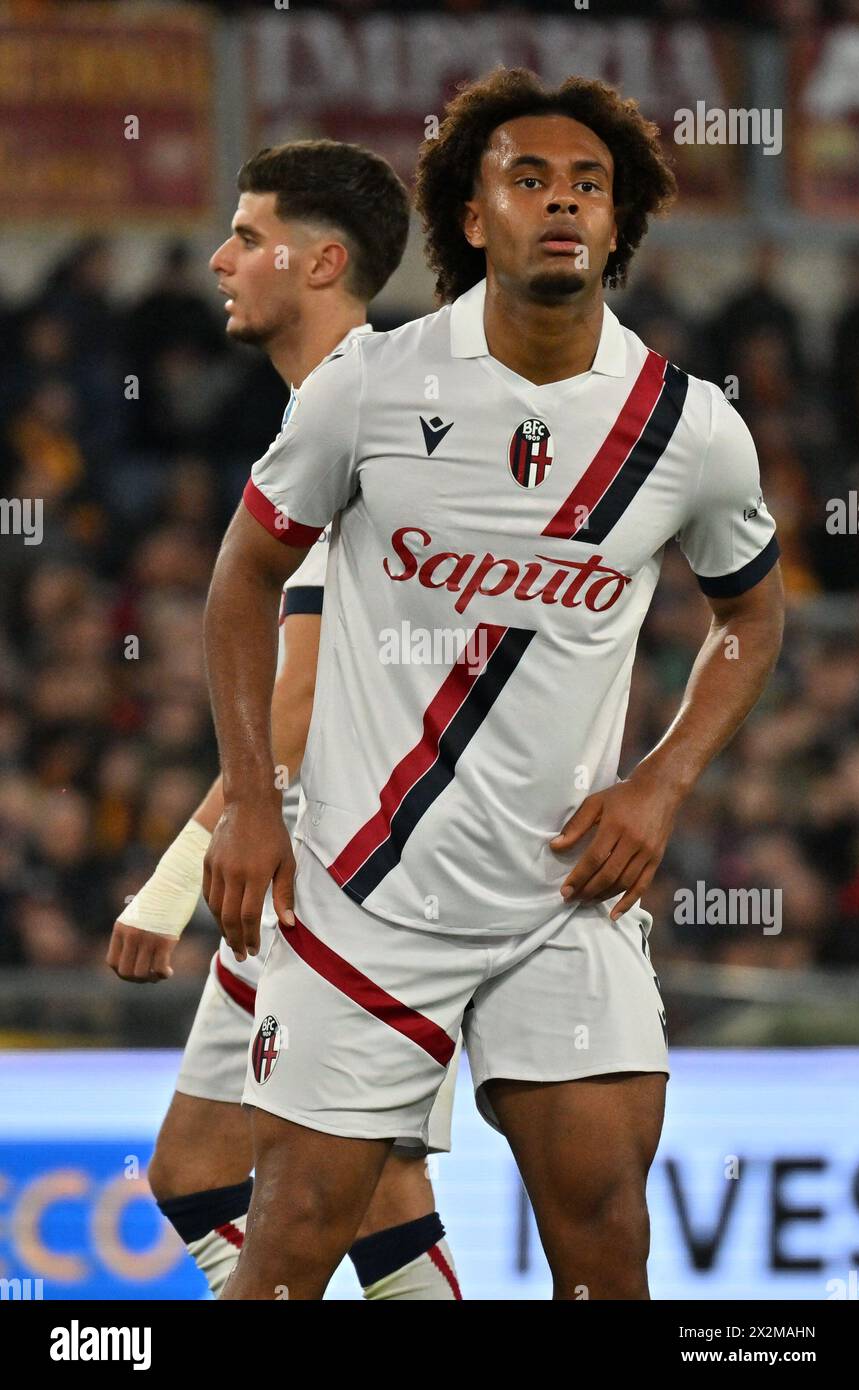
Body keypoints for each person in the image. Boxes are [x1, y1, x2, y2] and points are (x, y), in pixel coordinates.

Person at [202, 70, 785, 1301]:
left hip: (558, 902)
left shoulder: (685, 428)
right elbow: (242, 583)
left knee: (602, 1250)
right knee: (289, 1248)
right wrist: (252, 799)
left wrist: (662, 782)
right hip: (365, 896)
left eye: (588, 185)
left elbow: (752, 612)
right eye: (527, 179)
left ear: (618, 223)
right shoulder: (366, 386)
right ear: (472, 217)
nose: (560, 203)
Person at [107, 140, 462, 1301]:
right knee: (282, 1193)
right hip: (349, 855)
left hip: (355, 864)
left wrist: (172, 883)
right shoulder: (356, 409)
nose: (219, 259)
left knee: (294, 1193)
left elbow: (299, 696)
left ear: (321, 263)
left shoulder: (357, 418)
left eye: (247, 236)